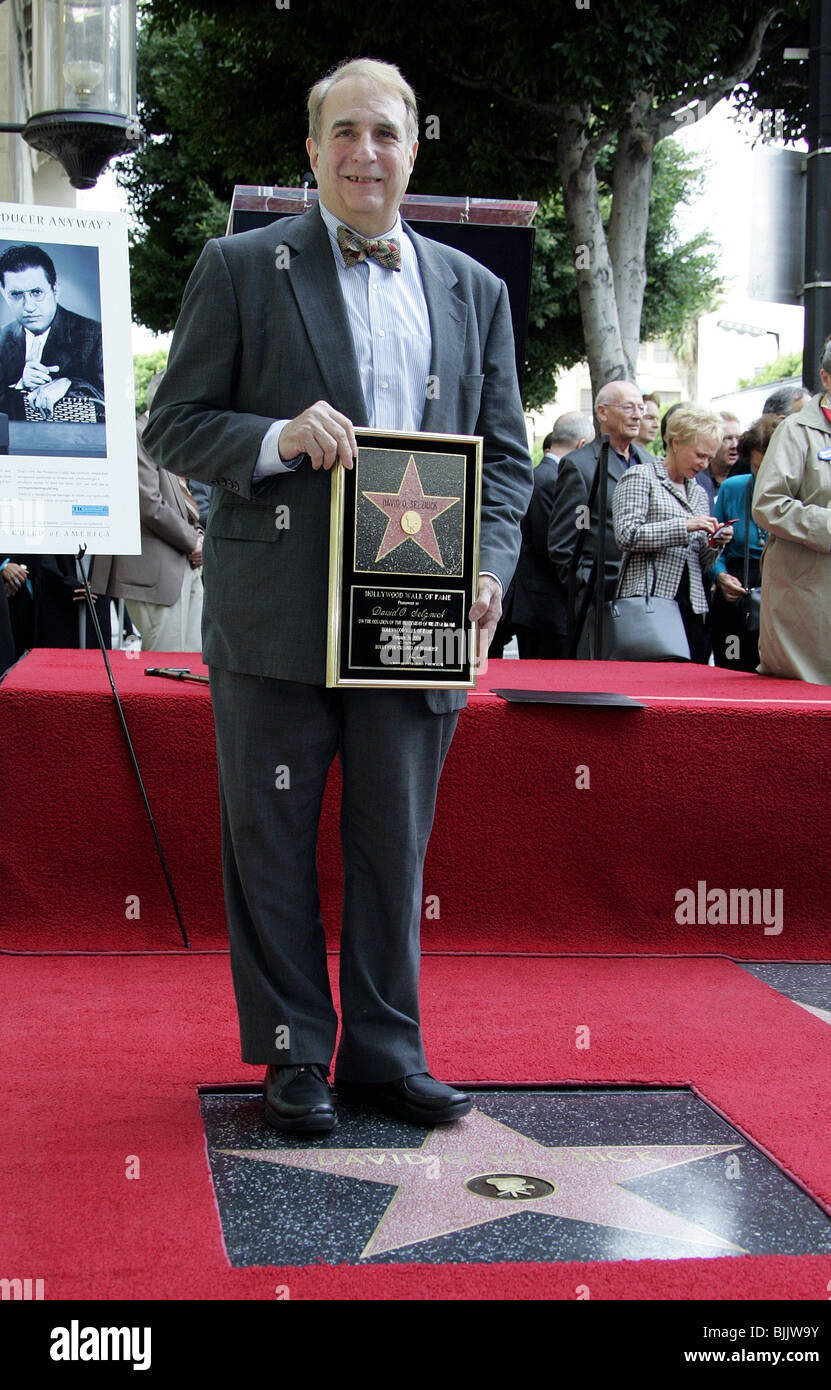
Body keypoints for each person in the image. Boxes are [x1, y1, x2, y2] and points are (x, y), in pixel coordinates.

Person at [143, 58, 532, 1134]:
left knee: (391, 843)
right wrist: (273, 437)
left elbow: (505, 460)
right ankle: (287, 1056)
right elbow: (170, 425)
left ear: (416, 148)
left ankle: (382, 1052)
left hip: (414, 617)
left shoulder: (474, 290)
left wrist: (488, 568)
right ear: (311, 152)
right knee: (266, 841)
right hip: (273, 619)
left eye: (386, 133)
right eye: (344, 133)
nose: (366, 152)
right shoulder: (238, 266)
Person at [752, 328, 831, 692]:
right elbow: (767, 505)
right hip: (816, 601)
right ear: (826, 377)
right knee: (828, 709)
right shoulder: (797, 430)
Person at [90, 371, 204, 652]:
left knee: (192, 664)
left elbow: (185, 504)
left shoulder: (166, 437)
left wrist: (199, 537)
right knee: (169, 669)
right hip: (156, 570)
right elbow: (148, 503)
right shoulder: (137, 432)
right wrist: (193, 541)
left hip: (182, 565)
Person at [611, 405, 730, 663]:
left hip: (693, 606)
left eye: (709, 458)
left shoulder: (698, 491)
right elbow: (626, 535)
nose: (704, 464)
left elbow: (700, 560)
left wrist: (715, 542)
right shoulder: (640, 477)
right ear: (676, 442)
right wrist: (686, 525)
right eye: (699, 455)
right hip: (649, 604)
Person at [547, 380, 651, 655]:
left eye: (641, 408)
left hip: (644, 597)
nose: (637, 415)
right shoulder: (580, 465)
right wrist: (584, 586)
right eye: (628, 407)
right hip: (599, 598)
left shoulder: (650, 463)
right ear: (602, 412)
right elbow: (563, 543)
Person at [511, 411, 593, 658]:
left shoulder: (540, 475)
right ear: (581, 446)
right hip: (545, 606)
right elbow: (553, 542)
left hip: (536, 605)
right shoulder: (551, 480)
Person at [0, 245, 103, 422]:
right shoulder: (1, 339)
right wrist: (19, 385)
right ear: (3, 294)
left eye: (37, 292)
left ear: (56, 290)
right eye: (16, 294)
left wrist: (69, 385)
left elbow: (114, 405)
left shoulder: (96, 335)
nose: (29, 307)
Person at [708, 415, 778, 671]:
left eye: (770, 467)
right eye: (757, 467)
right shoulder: (733, 488)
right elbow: (714, 544)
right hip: (737, 588)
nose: (763, 475)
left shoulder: (799, 493)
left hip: (778, 587)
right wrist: (721, 575)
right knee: (732, 670)